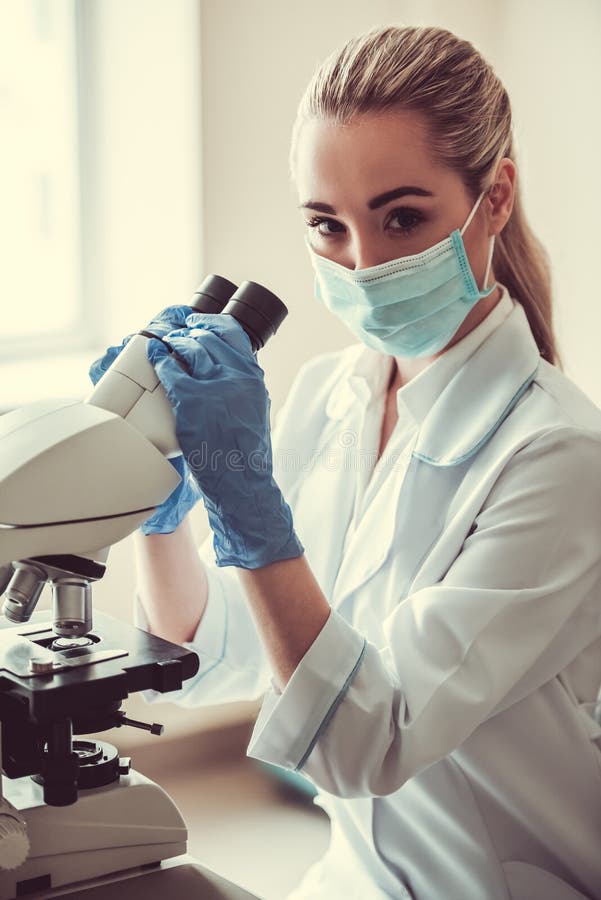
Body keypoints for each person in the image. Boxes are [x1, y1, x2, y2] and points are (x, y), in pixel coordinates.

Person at [91, 25, 601, 900]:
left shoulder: (558, 457)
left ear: (495, 197)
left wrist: (248, 503)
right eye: (327, 226)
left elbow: (370, 740)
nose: (363, 265)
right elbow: (227, 649)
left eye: (402, 217)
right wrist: (165, 511)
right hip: (351, 879)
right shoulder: (335, 395)